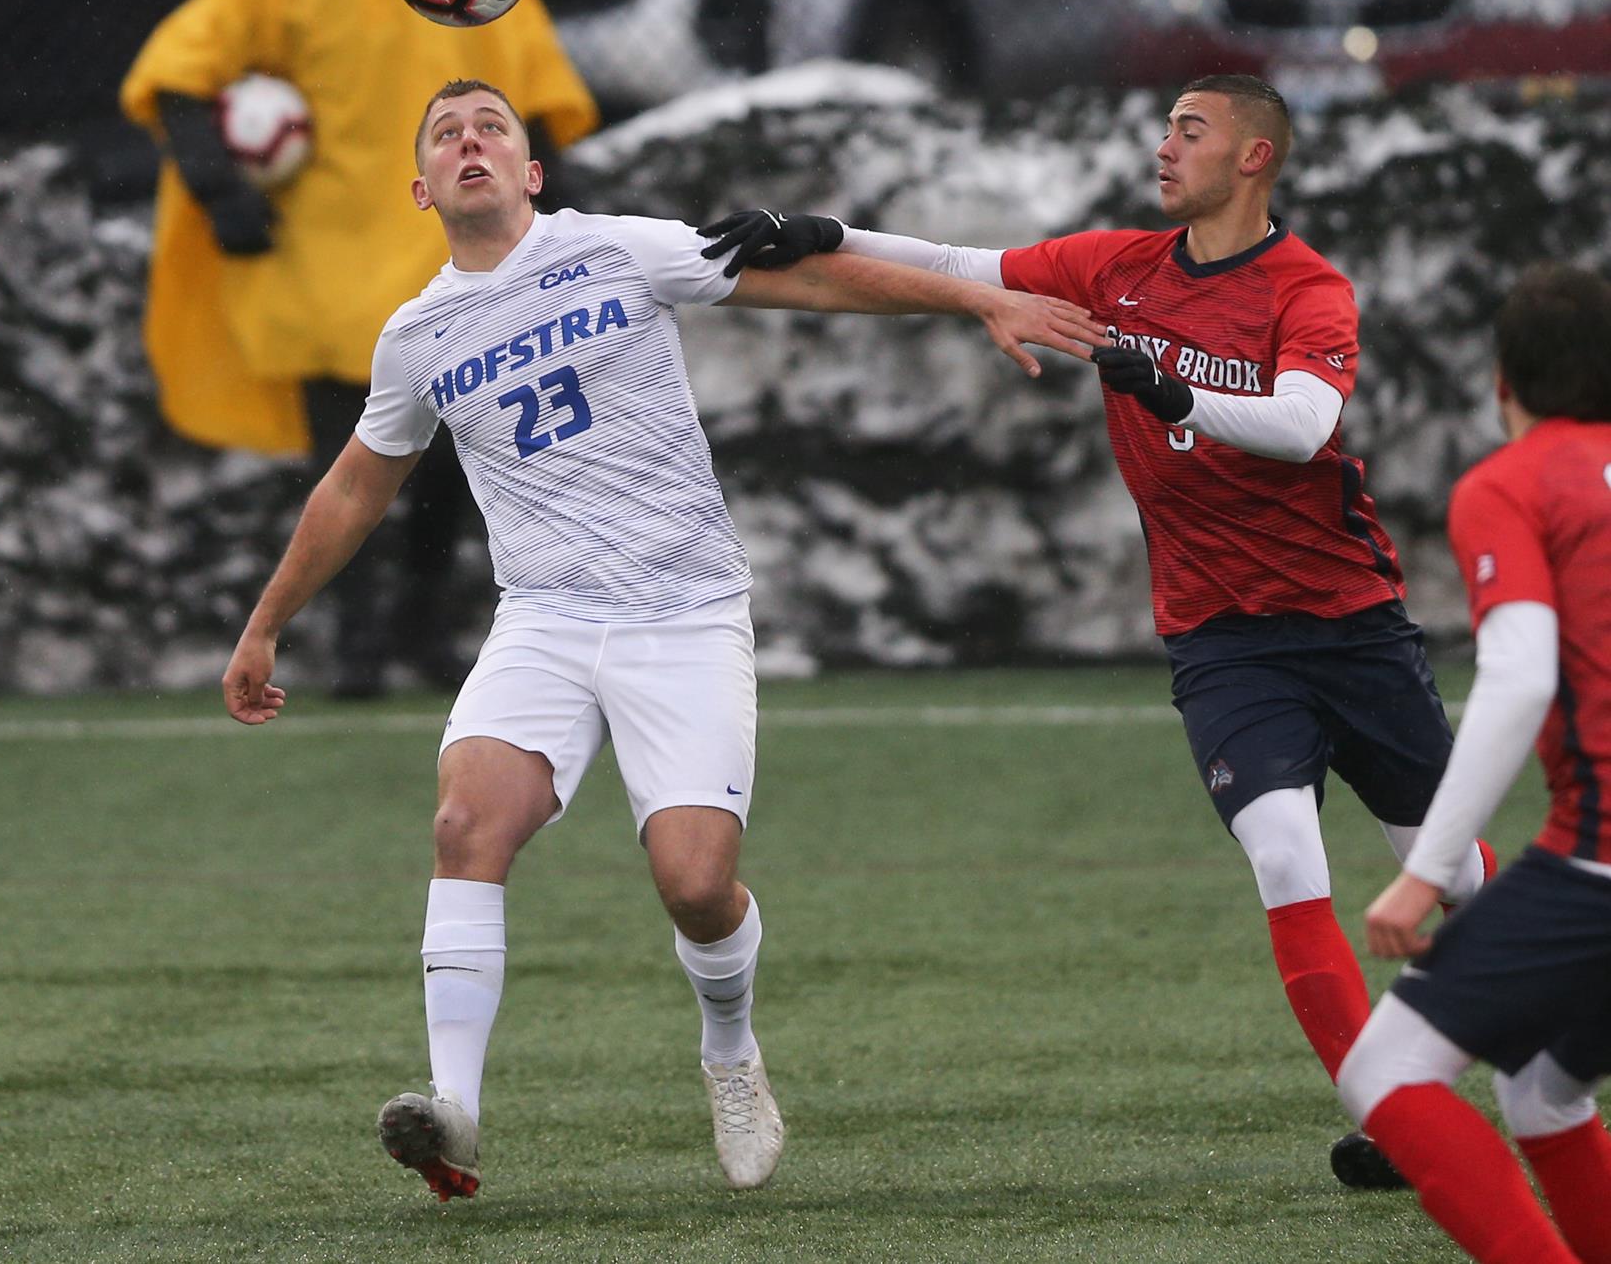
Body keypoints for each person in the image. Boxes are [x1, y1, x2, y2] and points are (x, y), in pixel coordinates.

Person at [221, 78, 1105, 1200]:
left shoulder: (617, 249)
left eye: (492, 127)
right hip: (543, 620)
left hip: (682, 611)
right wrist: (265, 625)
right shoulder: (416, 335)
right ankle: (453, 1110)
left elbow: (809, 276)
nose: (470, 142)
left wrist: (973, 299)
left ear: (532, 170)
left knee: (695, 885)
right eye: (445, 134)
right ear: (421, 188)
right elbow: (354, 488)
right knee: (463, 823)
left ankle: (729, 1049)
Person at [697, 74, 1495, 1191]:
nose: (1164, 145)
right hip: (1221, 640)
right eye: (1163, 126)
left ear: (1254, 158)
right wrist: (825, 231)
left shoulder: (1308, 289)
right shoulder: (1118, 265)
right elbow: (965, 264)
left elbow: (1301, 424)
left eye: (1189, 130)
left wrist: (1171, 392)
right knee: (1284, 853)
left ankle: (1550, 986)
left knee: (1451, 873)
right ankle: (1394, 1116)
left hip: (1349, 627)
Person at [121, 0, 598, 697]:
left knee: (455, 465)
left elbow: (536, 99)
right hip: (325, 266)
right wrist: (220, 189)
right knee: (349, 469)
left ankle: (420, 627)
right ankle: (359, 642)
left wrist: (556, 220)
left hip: (452, 264)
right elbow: (179, 73)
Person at [1335, 264, 1611, 1263]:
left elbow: (1520, 678)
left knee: (1383, 1072)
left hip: (1596, 860)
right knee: (1540, 1088)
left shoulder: (1512, 483)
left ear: (1503, 381)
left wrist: (1424, 873)